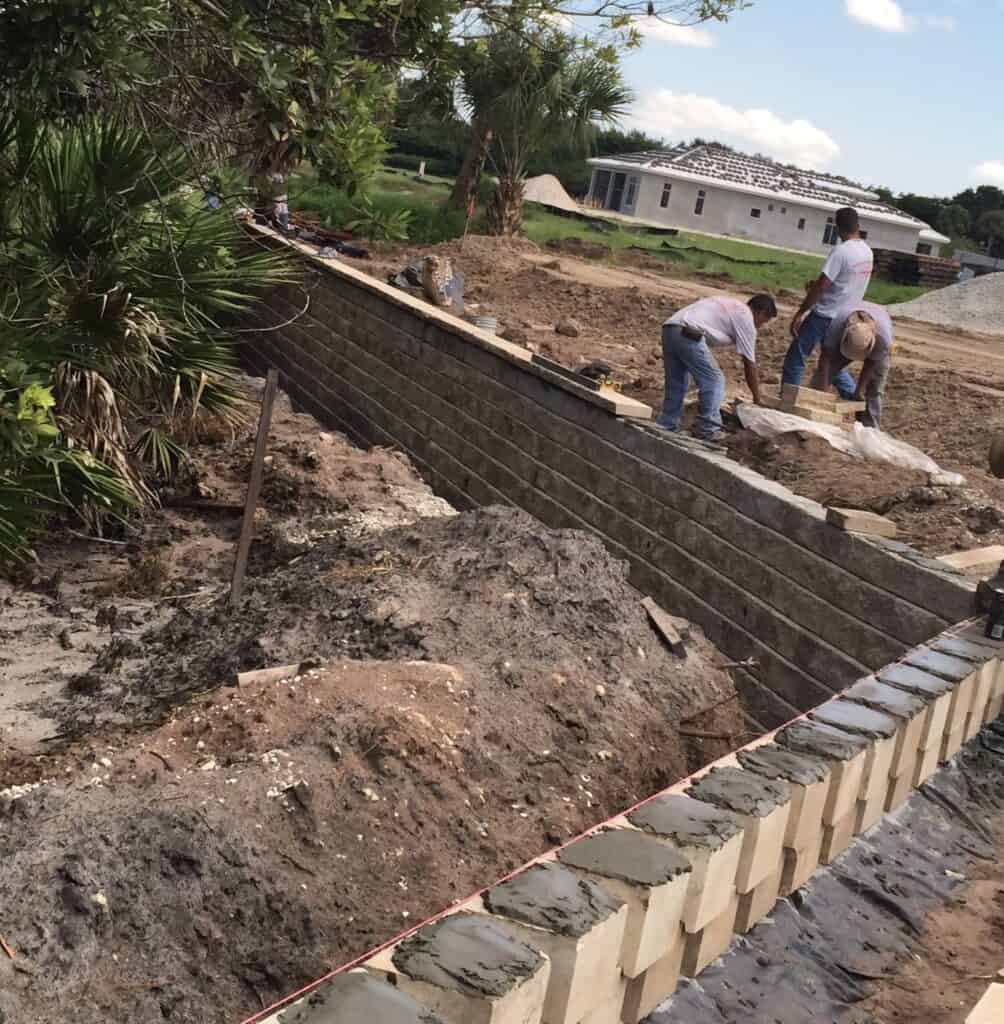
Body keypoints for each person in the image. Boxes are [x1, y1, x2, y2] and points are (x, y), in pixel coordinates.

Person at [657, 293, 778, 442]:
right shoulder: (746, 317)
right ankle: (709, 430)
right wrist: (757, 397)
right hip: (690, 333)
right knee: (715, 380)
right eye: (763, 321)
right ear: (760, 313)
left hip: (670, 328)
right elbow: (749, 363)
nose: (761, 326)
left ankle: (667, 424)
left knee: (677, 381)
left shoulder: (732, 305)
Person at [782, 206, 873, 399]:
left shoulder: (841, 251)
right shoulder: (867, 252)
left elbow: (823, 285)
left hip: (825, 314)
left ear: (838, 228)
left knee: (796, 356)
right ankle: (852, 396)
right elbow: (846, 282)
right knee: (830, 363)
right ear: (857, 225)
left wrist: (801, 312)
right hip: (847, 317)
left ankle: (788, 399)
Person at [815, 301, 893, 429]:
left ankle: (870, 430)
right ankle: (814, 421)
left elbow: (870, 363)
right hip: (842, 336)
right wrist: (822, 391)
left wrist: (860, 390)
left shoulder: (883, 339)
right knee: (819, 382)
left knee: (874, 391)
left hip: (878, 344)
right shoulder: (836, 326)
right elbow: (825, 358)